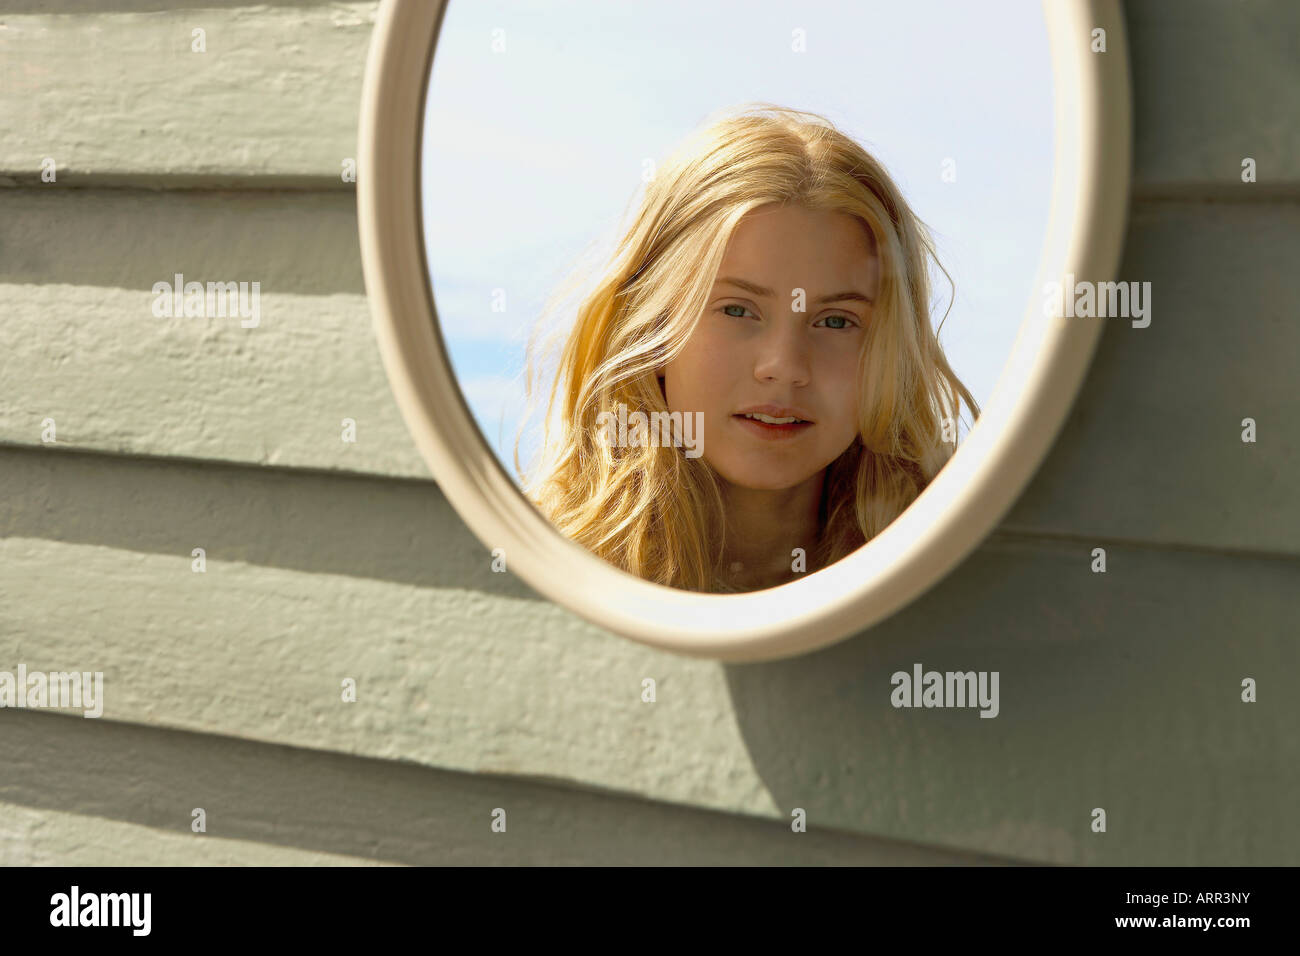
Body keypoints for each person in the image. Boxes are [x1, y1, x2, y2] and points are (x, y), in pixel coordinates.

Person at [515, 103, 978, 594]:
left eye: (836, 321)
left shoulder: (955, 580)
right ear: (650, 319)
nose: (784, 367)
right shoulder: (541, 571)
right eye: (738, 310)